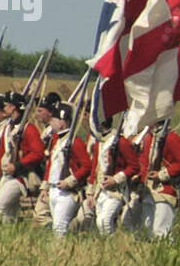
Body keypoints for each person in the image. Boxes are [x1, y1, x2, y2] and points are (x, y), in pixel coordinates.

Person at [0, 91, 45, 222]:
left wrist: (17, 165)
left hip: (21, 176)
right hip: (6, 175)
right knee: (9, 213)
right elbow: (1, 154)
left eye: (6, 105)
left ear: (13, 107)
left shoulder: (28, 129)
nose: (4, 108)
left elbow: (38, 153)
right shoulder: (7, 128)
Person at [43, 102, 92, 237]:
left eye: (54, 119)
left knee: (60, 228)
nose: (51, 122)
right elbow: (51, 166)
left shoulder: (74, 142)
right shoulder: (56, 140)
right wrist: (45, 187)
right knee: (57, 227)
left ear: (62, 122)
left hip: (67, 192)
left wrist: (70, 181)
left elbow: (87, 166)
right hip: (53, 190)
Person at [137, 118, 180, 239]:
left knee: (161, 233)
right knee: (147, 231)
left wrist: (161, 175)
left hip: (165, 190)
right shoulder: (150, 138)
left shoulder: (172, 138)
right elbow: (145, 163)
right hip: (148, 191)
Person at [90, 118, 139, 235]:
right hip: (101, 190)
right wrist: (91, 192)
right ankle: (109, 248)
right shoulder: (100, 141)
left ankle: (111, 245)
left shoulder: (120, 142)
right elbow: (95, 168)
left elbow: (134, 166)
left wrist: (116, 179)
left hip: (117, 190)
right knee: (99, 222)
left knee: (104, 221)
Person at [32, 92, 63, 227]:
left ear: (50, 112)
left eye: (40, 110)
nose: (37, 114)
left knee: (42, 213)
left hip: (55, 177)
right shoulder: (47, 130)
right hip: (48, 176)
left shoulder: (55, 132)